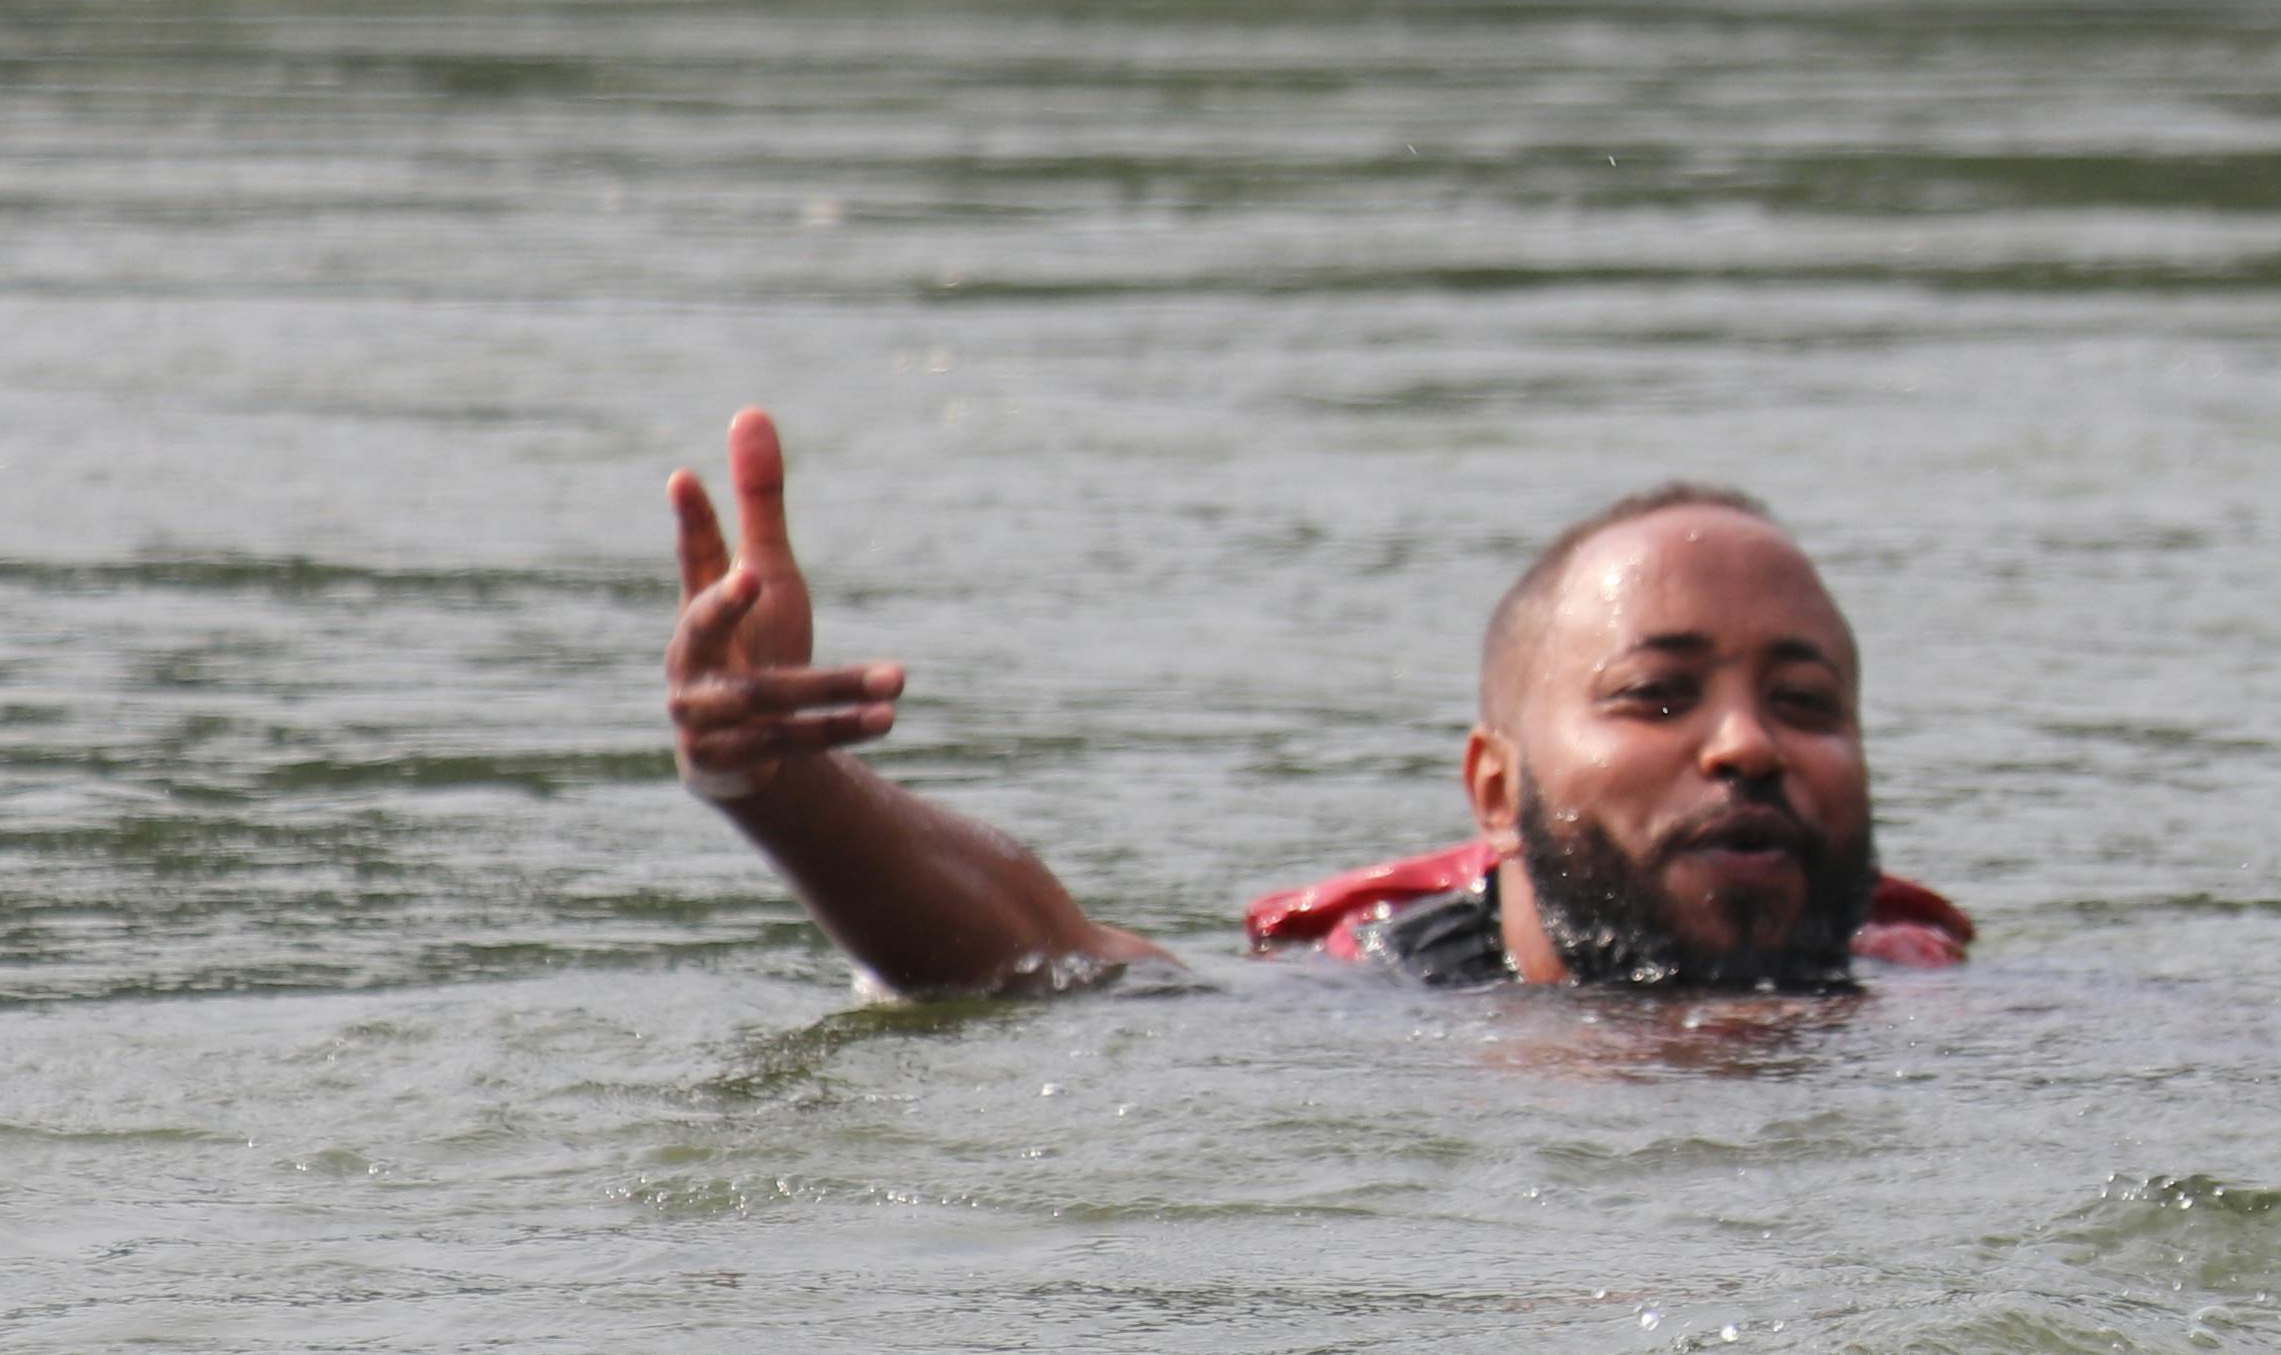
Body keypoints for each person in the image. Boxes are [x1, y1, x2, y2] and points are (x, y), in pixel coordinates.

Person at [661, 407, 1966, 995]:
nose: (1746, 745)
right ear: (1497, 790)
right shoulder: (1375, 1019)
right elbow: (1035, 948)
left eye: (1805, 704)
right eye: (1658, 697)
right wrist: (786, 786)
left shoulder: (1962, 1026)